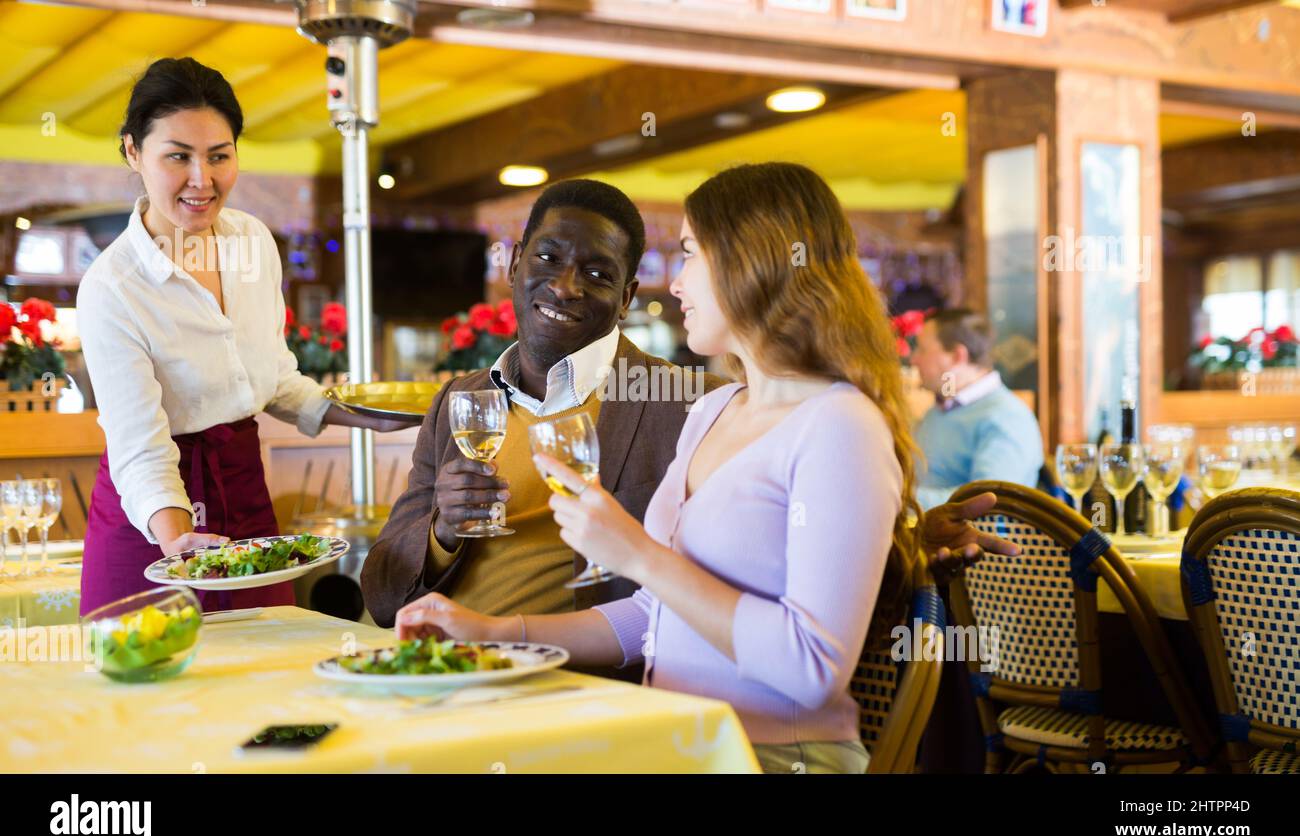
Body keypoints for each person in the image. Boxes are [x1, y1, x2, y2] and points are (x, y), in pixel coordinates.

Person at [393, 163, 930, 773]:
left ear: (750, 261)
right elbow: (656, 615)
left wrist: (636, 554)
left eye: (690, 254)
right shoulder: (714, 409)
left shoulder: (839, 425)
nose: (674, 284)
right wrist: (491, 633)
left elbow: (812, 670)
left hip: (771, 755)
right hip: (673, 740)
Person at [77, 57, 411, 614]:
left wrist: (363, 413)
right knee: (154, 689)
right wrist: (176, 541)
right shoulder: (112, 287)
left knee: (267, 672)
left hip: (243, 489)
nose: (201, 180)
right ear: (133, 152)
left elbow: (273, 377)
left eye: (219, 156)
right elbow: (139, 447)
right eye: (177, 156)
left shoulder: (252, 241)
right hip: (151, 517)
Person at [360, 180, 725, 637]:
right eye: (548, 259)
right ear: (515, 264)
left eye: (596, 275)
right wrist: (443, 533)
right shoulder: (457, 401)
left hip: (575, 682)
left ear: (626, 298)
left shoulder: (693, 403)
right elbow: (382, 597)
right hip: (447, 670)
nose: (565, 287)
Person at [909, 309, 1043, 510]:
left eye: (922, 349)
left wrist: (898, 500)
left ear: (957, 356)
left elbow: (990, 505)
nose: (914, 360)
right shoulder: (940, 410)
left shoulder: (1007, 417)